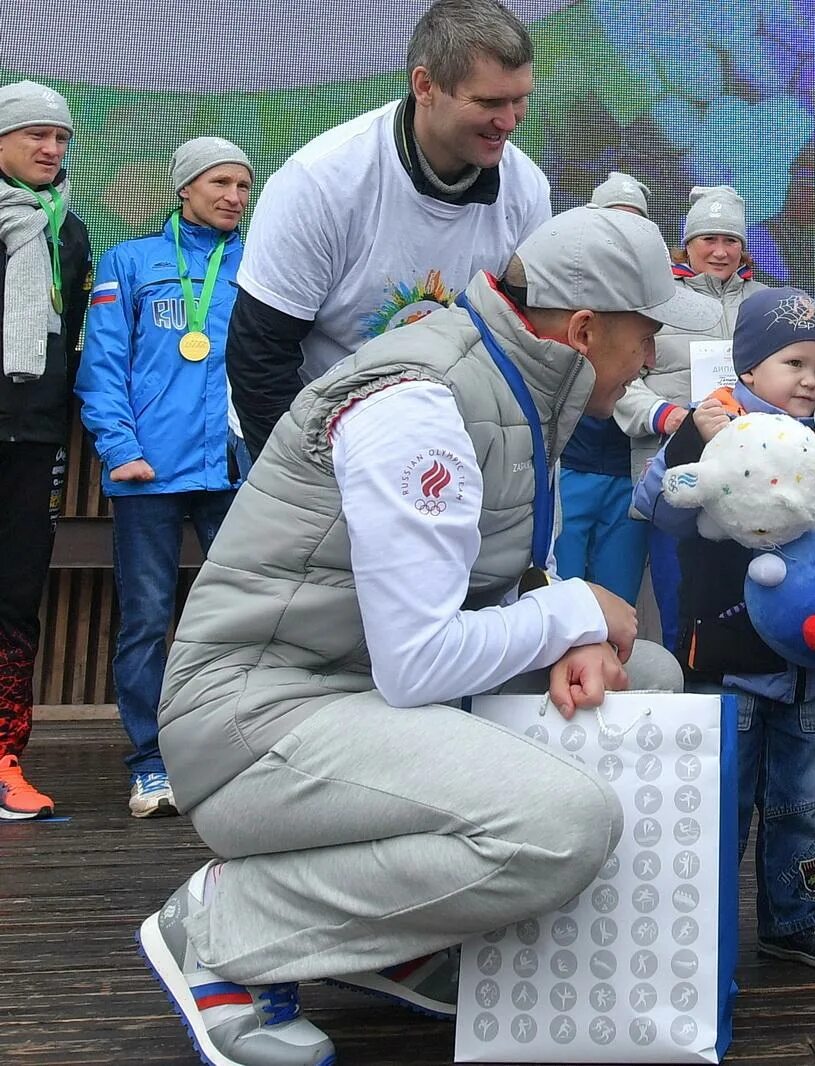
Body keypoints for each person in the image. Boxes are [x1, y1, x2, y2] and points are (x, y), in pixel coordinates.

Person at [138, 206, 718, 1066]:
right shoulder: (421, 403)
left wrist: (574, 629)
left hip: (355, 692)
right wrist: (574, 613)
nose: (650, 362)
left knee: (649, 676)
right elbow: (417, 662)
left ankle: (398, 941)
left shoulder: (516, 384)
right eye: (646, 339)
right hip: (255, 726)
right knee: (560, 824)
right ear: (587, 329)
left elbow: (497, 579)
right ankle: (227, 926)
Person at [635, 286, 815, 970]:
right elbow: (655, 507)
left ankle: (800, 919)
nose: (810, 380)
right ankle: (698, 926)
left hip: (809, 668)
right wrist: (693, 438)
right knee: (721, 805)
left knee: (801, 805)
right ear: (747, 369)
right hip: (726, 660)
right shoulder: (715, 431)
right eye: (793, 363)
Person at [226, 0, 552, 458]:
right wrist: (298, 475)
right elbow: (259, 354)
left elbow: (522, 338)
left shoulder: (526, 188)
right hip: (307, 428)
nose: (510, 120)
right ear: (425, 86)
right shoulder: (322, 181)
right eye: (488, 102)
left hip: (436, 438)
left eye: (519, 99)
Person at [74, 137, 253, 819]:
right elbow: (104, 367)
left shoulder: (262, 265)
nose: (235, 196)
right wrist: (120, 447)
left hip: (233, 473)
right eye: (220, 183)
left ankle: (231, 754)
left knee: (244, 619)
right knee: (147, 621)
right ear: (184, 188)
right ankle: (151, 765)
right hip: (147, 471)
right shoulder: (131, 262)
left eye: (243, 184)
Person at [614, 184, 765, 652]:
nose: (720, 252)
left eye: (731, 241)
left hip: (748, 476)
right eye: (708, 240)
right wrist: (666, 416)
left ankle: (740, 709)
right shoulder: (659, 301)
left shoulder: (764, 302)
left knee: (746, 602)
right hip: (673, 471)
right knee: (679, 605)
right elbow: (620, 378)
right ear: (689, 243)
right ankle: (686, 701)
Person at [0, 80, 91, 821]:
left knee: (15, 597)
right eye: (35, 134)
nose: (50, 150)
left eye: (59, 138)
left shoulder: (71, 230)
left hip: (33, 437)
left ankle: (4, 759)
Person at [552, 172, 656, 601]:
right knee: (558, 590)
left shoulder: (661, 296)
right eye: (614, 220)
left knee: (617, 601)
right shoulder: (557, 291)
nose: (623, 233)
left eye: (635, 222)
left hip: (625, 473)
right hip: (570, 465)